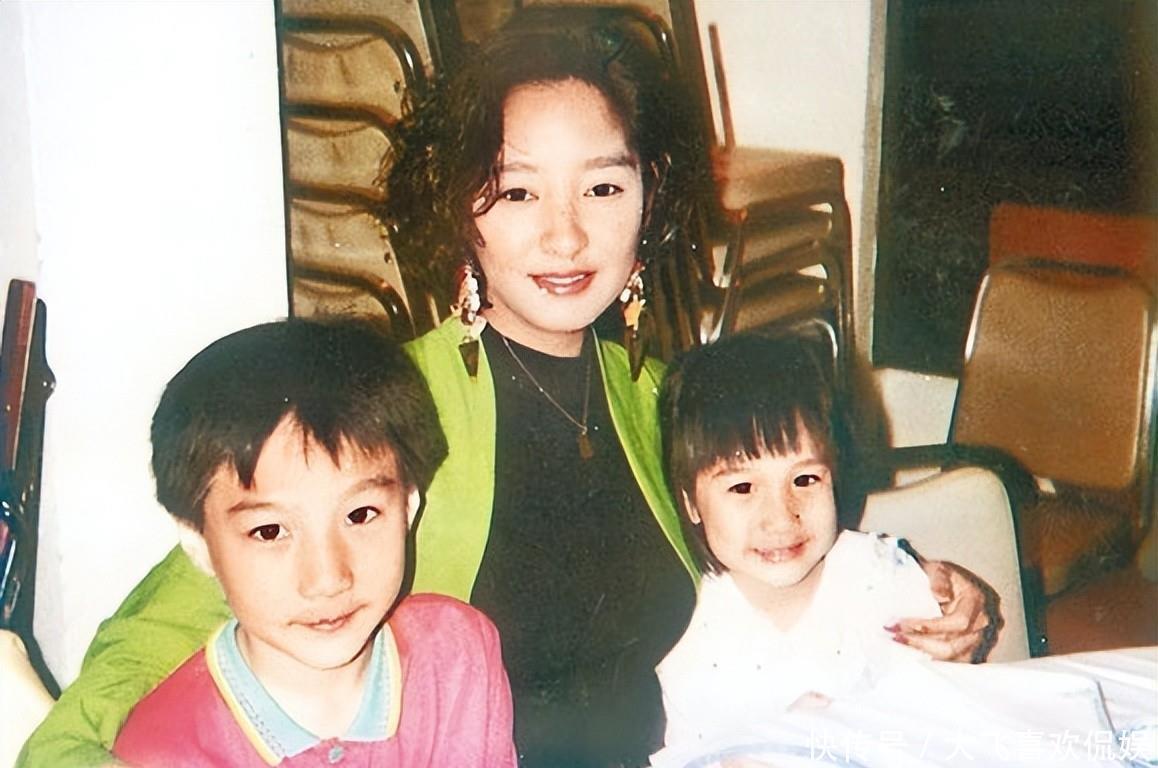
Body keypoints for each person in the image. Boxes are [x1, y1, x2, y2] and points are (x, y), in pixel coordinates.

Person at [19, 10, 995, 768]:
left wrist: (936, 600)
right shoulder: (369, 420)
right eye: (518, 190)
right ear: (460, 210)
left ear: (649, 199)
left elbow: (783, 560)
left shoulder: (665, 400)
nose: (565, 235)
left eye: (602, 187)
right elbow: (117, 691)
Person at [109, 319, 516, 766]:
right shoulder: (161, 752)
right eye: (270, 532)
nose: (327, 579)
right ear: (198, 543)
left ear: (408, 507)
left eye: (360, 515)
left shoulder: (456, 653)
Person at [654, 331, 955, 753]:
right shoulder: (686, 638)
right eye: (742, 488)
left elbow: (942, 718)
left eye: (805, 479)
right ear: (690, 503)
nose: (781, 518)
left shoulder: (881, 578)